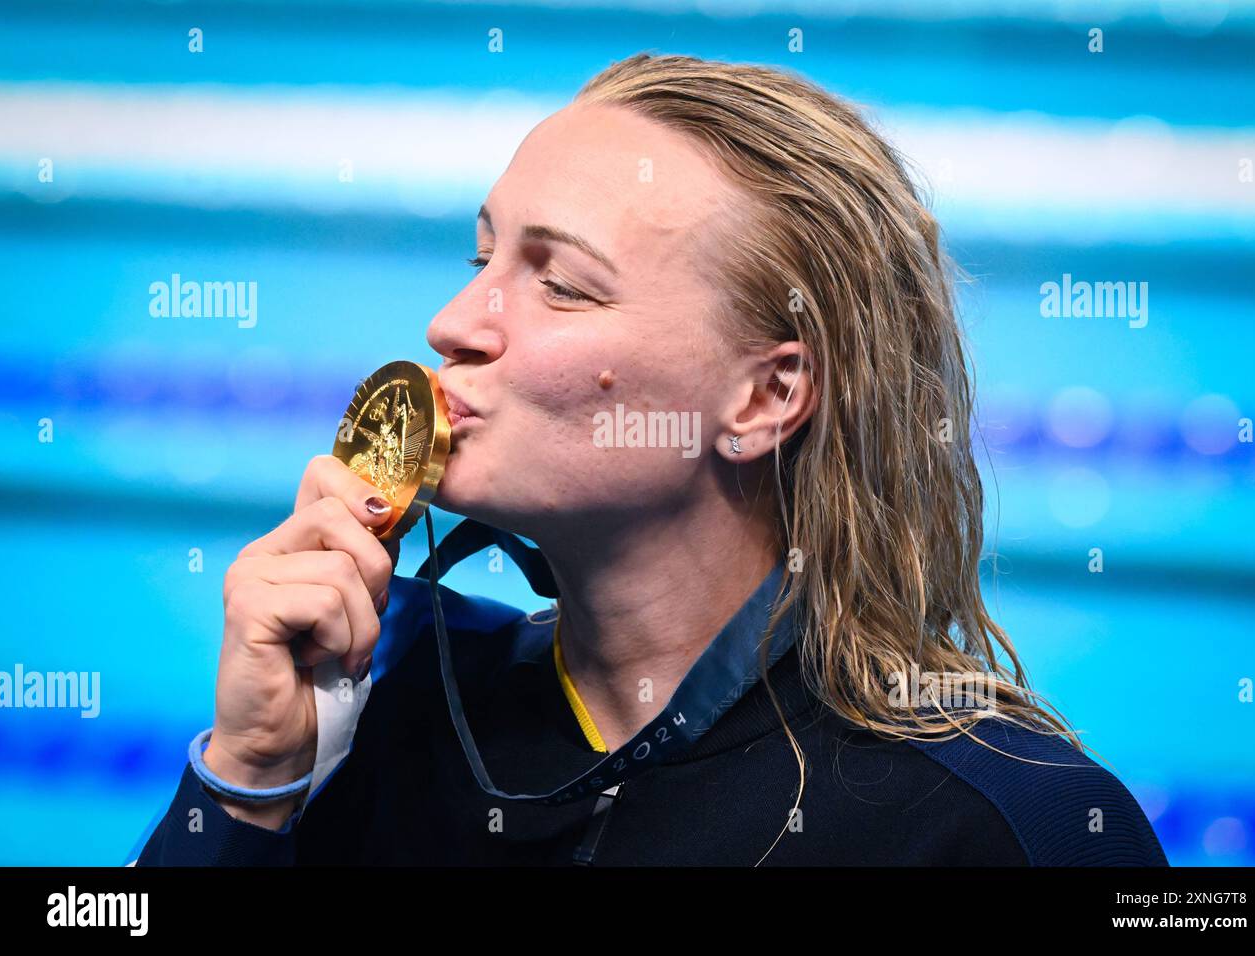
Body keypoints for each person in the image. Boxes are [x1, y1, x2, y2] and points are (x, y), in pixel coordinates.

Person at [128, 53, 1167, 866]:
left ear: (765, 395)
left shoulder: (999, 822)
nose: (451, 323)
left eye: (562, 284)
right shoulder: (374, 696)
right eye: (482, 258)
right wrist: (245, 786)